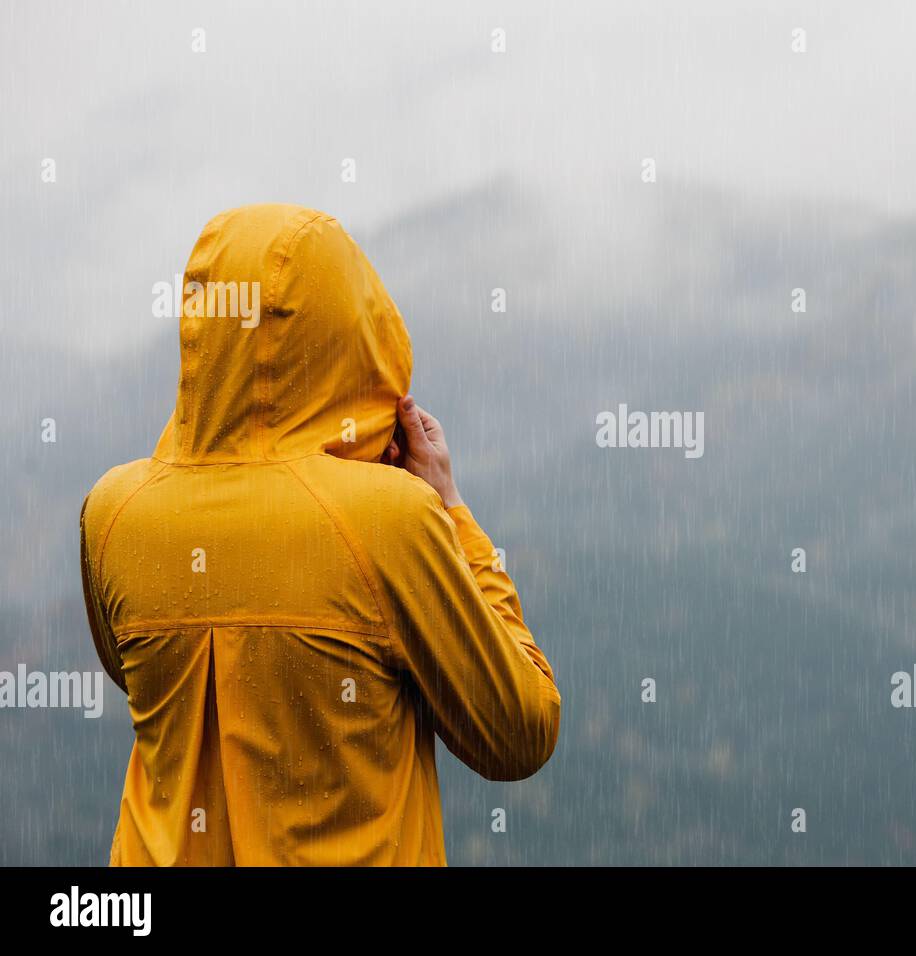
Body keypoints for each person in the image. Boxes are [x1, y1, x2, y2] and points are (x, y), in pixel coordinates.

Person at [79, 204, 561, 865]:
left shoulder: (114, 512)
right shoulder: (389, 521)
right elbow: (517, 733)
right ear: (354, 336)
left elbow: (139, 682)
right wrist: (448, 506)